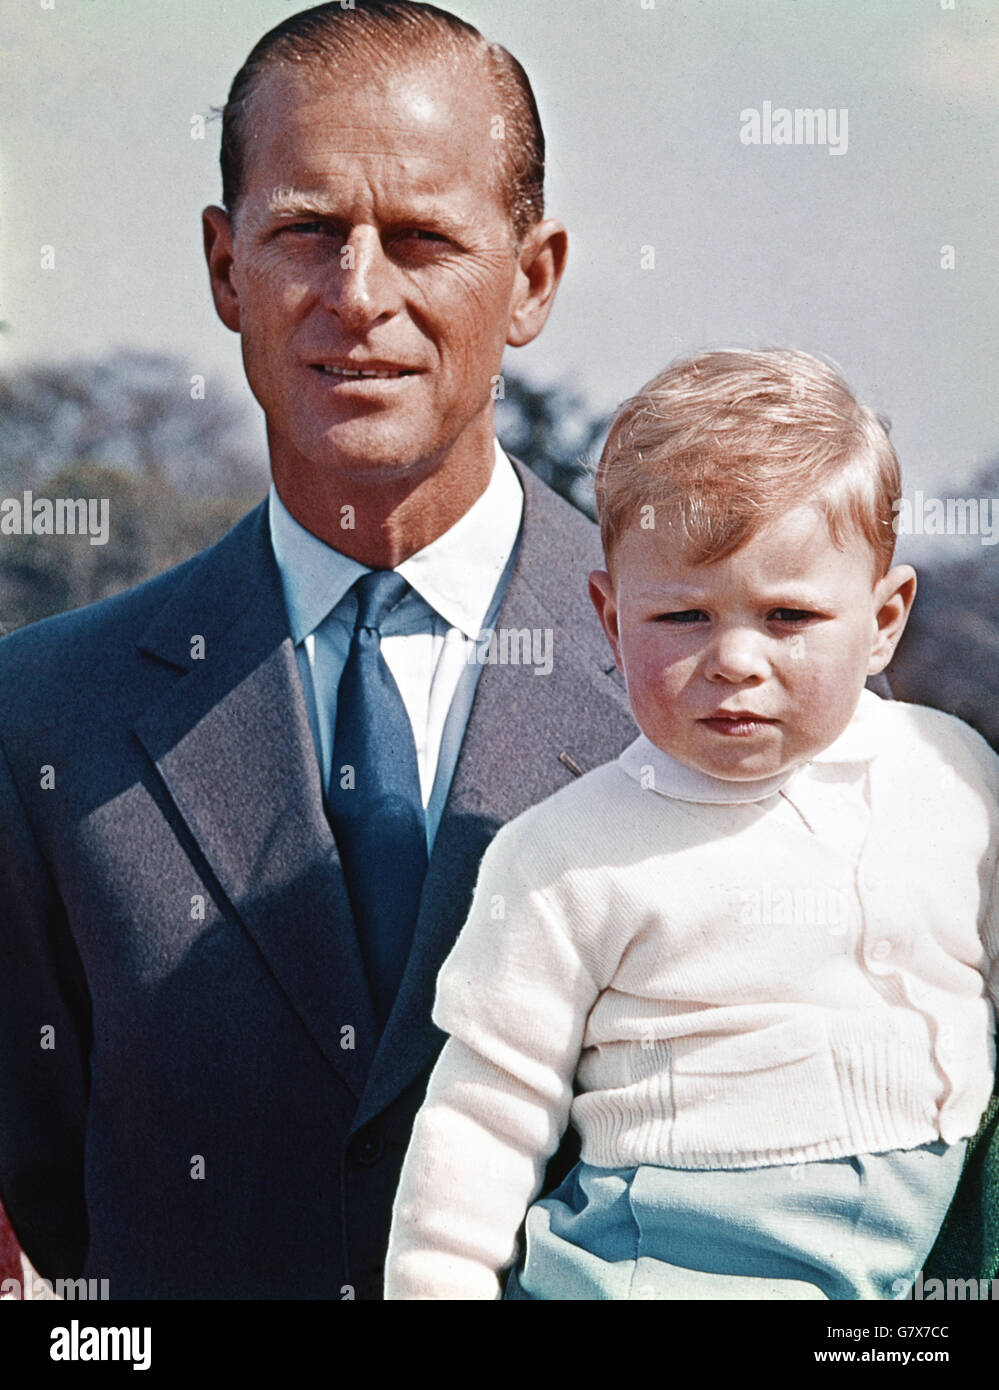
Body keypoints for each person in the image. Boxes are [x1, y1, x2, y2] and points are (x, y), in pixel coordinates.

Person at [0, 1, 637, 1299]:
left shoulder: (709, 684)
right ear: (225, 267)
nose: (358, 296)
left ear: (530, 277)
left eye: (420, 238)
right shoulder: (41, 717)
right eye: (305, 232)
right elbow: (63, 1187)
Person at [384, 348, 999, 1300]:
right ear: (609, 617)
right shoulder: (563, 859)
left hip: (913, 1259)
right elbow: (484, 1111)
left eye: (788, 615)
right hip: (667, 1263)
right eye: (681, 615)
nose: (735, 660)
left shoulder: (954, 777)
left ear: (883, 619)